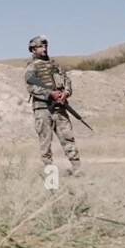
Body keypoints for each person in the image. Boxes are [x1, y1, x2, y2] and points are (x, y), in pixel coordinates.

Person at [25, 35, 81, 174]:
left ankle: (77, 169)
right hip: (43, 109)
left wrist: (65, 94)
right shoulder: (32, 67)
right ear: (33, 50)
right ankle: (49, 171)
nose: (44, 48)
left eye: (45, 46)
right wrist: (50, 94)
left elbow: (67, 81)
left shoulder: (55, 65)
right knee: (45, 141)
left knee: (68, 137)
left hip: (59, 107)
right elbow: (31, 86)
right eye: (40, 46)